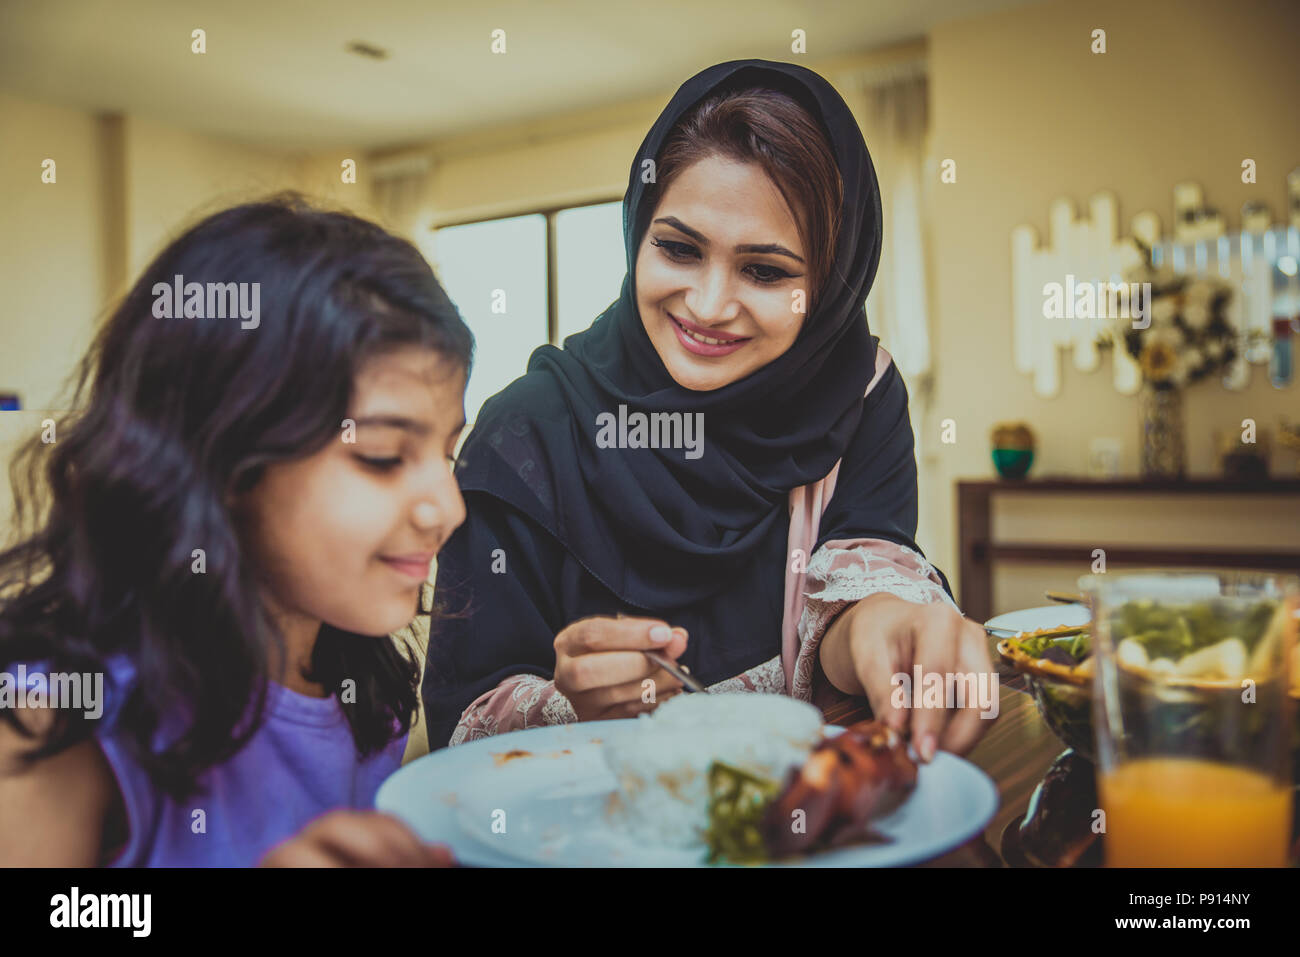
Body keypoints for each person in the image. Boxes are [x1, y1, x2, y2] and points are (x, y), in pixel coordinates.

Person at [422, 59, 995, 761]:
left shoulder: (858, 390)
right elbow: (458, 725)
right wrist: (569, 705)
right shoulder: (525, 432)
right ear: (638, 234)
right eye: (679, 249)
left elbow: (861, 562)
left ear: (833, 280)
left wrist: (884, 622)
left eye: (766, 270)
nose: (708, 305)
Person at [0, 195, 467, 866]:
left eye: (448, 451)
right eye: (384, 457)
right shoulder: (54, 718)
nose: (447, 508)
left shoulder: (365, 691)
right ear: (221, 458)